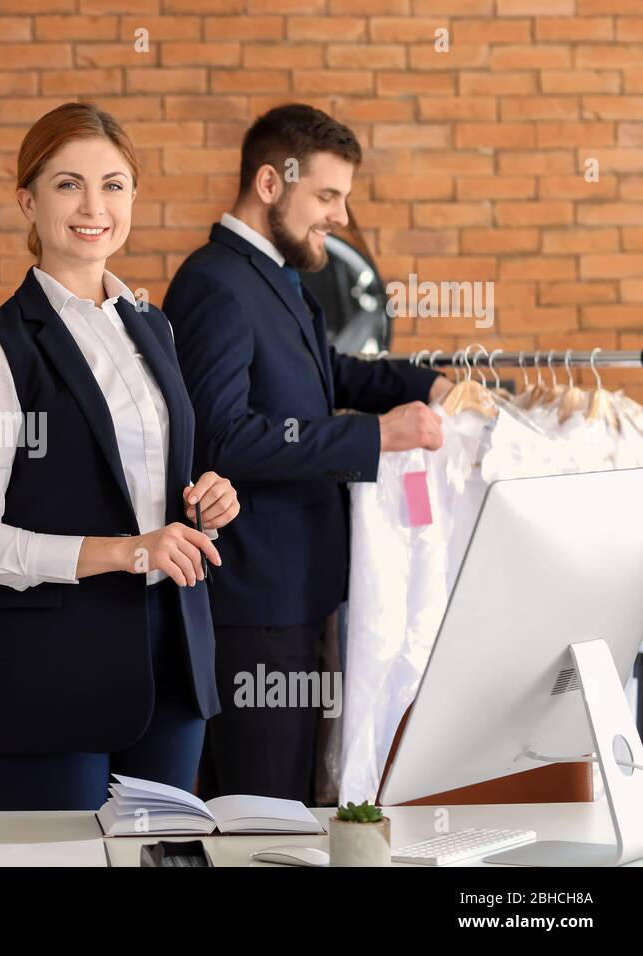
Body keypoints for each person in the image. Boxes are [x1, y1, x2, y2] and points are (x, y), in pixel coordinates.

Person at [0, 102, 240, 811]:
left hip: (173, 663)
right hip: (52, 680)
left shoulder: (152, 325)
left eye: (114, 185)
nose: (93, 206)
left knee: (166, 863)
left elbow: (146, 494)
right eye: (69, 184)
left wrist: (206, 506)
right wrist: (128, 552)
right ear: (28, 201)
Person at [163, 103, 452, 804]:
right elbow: (222, 437)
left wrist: (434, 384)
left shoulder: (273, 277)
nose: (340, 217)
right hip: (253, 604)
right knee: (262, 810)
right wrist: (375, 437)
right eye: (327, 197)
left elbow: (330, 375)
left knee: (294, 802)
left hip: (295, 594)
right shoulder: (215, 285)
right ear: (270, 184)